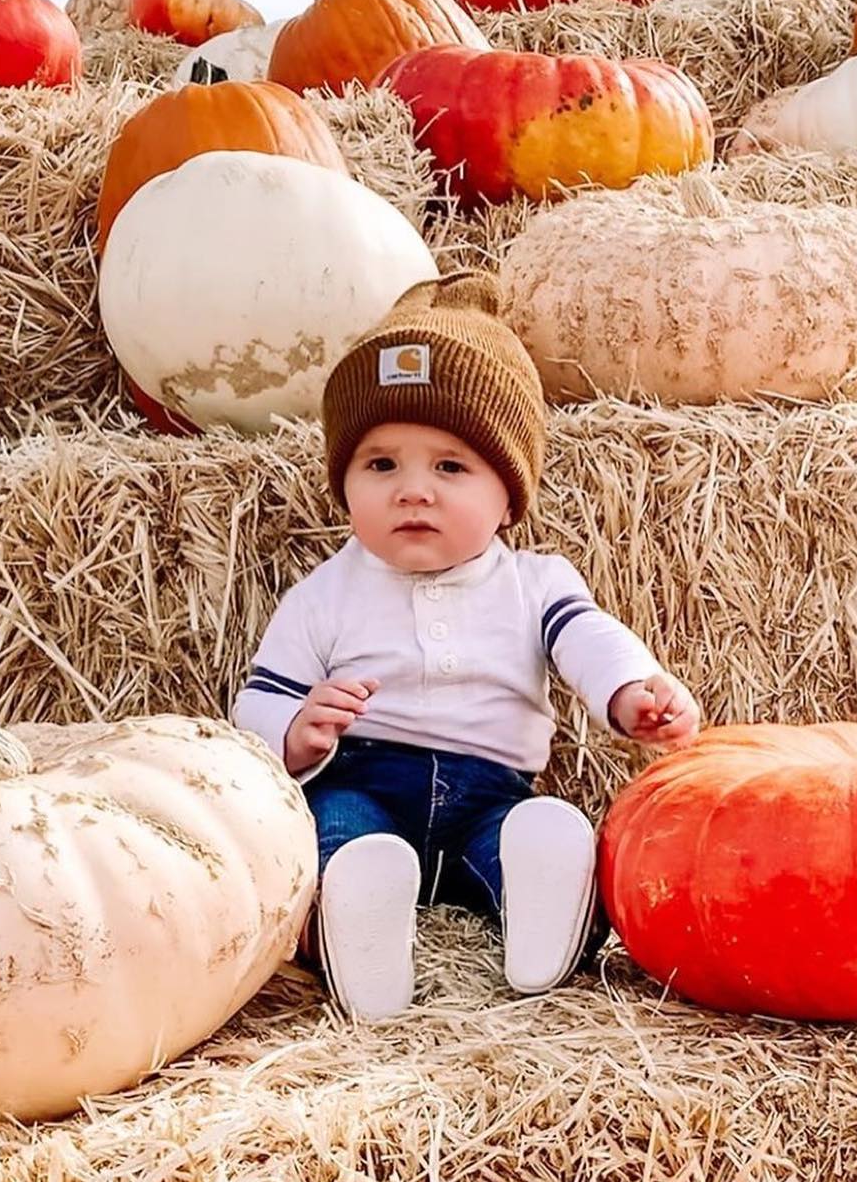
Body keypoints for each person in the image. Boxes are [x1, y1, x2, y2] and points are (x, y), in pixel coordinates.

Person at [232, 271, 700, 1022]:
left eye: (450, 467)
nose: (413, 490)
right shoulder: (325, 592)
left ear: (508, 496)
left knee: (522, 836)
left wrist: (629, 690)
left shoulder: (536, 582)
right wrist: (293, 732)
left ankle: (543, 905)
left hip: (491, 790)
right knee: (337, 835)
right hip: (363, 779)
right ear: (344, 483)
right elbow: (258, 702)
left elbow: (587, 639)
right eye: (381, 464)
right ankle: (361, 922)